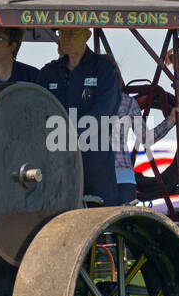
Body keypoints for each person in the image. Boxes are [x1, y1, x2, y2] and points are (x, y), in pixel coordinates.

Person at [38, 27, 122, 206]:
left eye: (72, 33)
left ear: (87, 35)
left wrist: (76, 132)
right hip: (57, 162)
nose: (66, 38)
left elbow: (105, 108)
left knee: (100, 219)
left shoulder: (104, 68)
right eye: (63, 33)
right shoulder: (48, 72)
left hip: (95, 162)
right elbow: (37, 109)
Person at [113, 92, 179, 204]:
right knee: (125, 220)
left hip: (94, 175)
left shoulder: (84, 97)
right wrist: (171, 120)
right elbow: (147, 139)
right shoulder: (127, 101)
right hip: (123, 176)